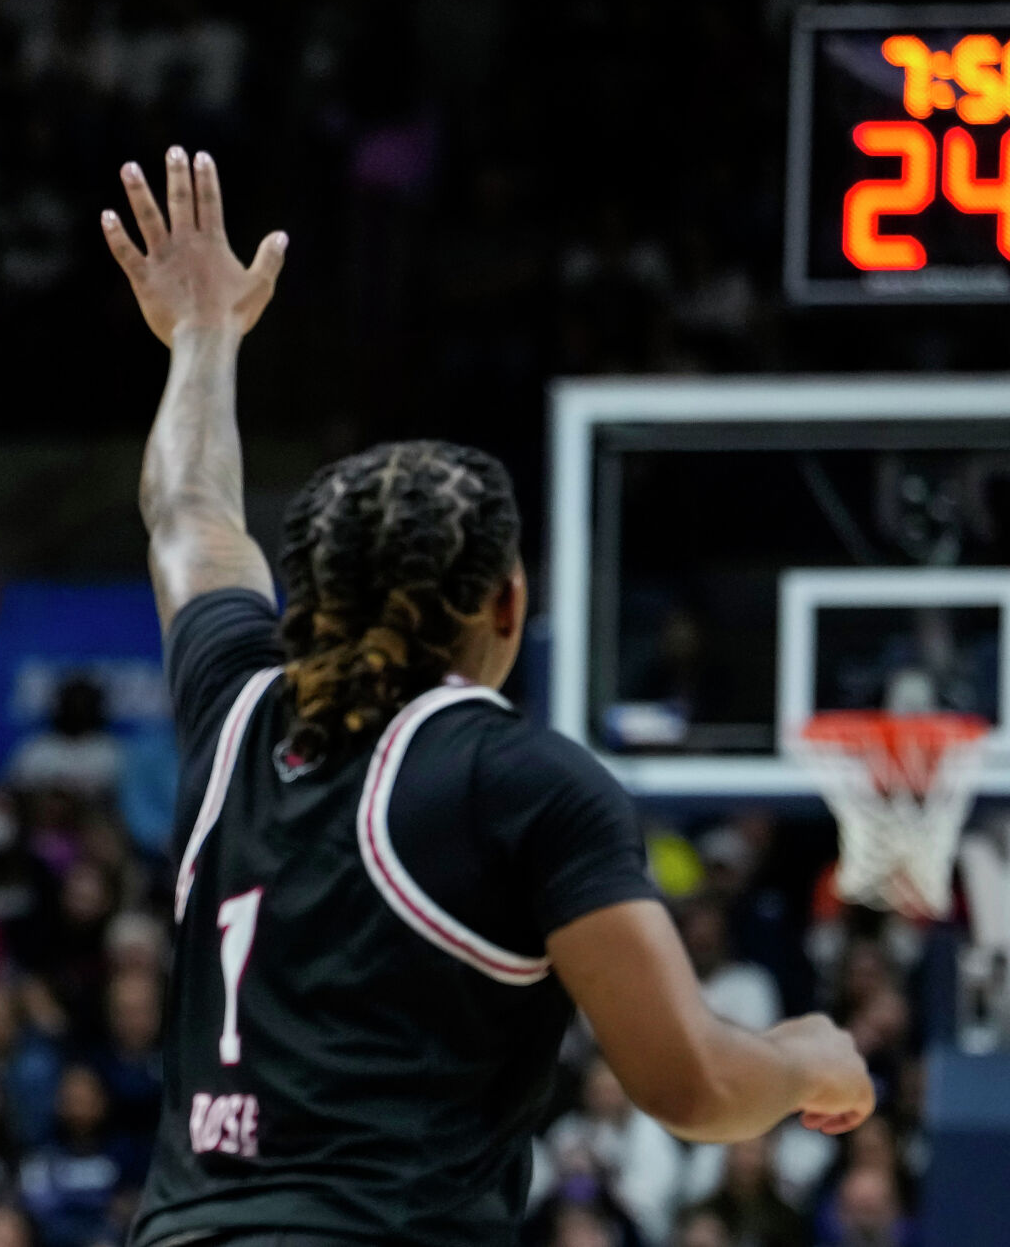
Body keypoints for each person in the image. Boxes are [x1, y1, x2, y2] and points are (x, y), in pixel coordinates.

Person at [97, 146, 876, 1246]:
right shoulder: (519, 782)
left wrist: (203, 339)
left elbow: (187, 513)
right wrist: (807, 1057)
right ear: (507, 603)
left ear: (308, 594)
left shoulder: (233, 711)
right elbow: (691, 1086)